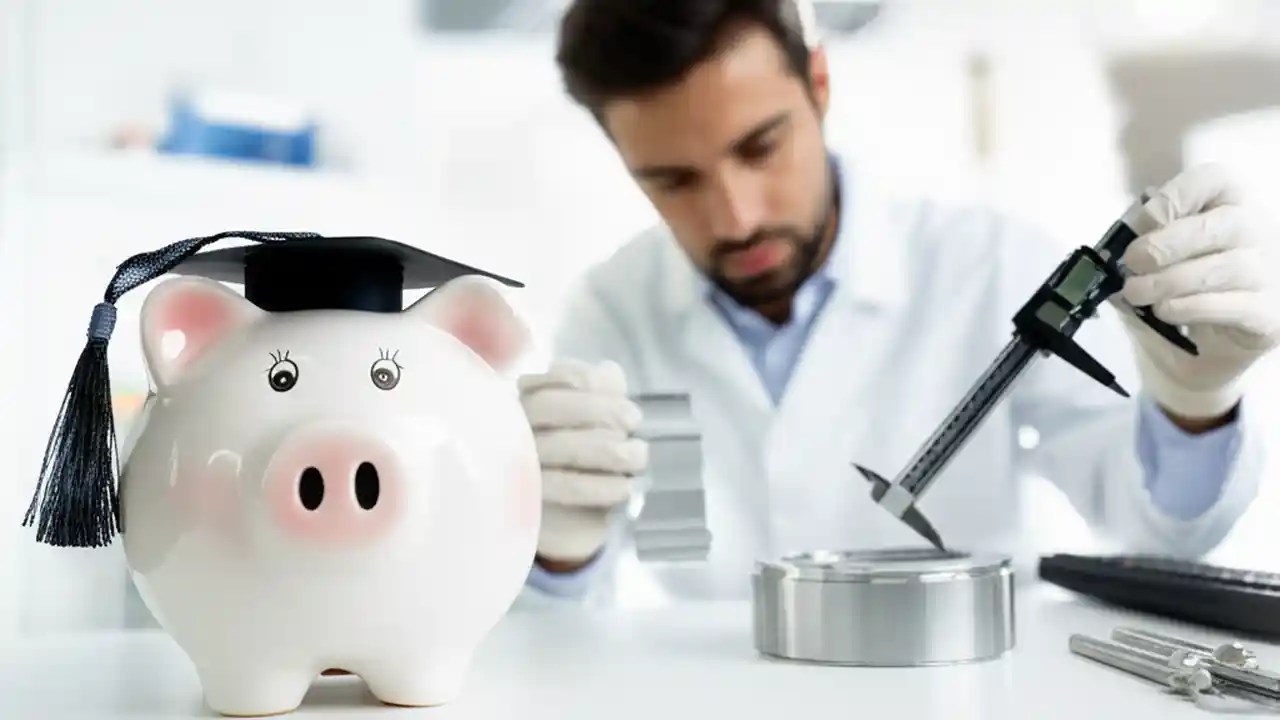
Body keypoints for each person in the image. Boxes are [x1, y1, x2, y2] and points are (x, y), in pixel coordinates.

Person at [517, 0, 1280, 603]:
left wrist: (1196, 402)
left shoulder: (986, 262)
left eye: (760, 147)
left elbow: (1154, 534)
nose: (736, 217)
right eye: (674, 181)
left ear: (819, 83)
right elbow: (567, 623)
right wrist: (554, 547)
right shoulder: (611, 311)